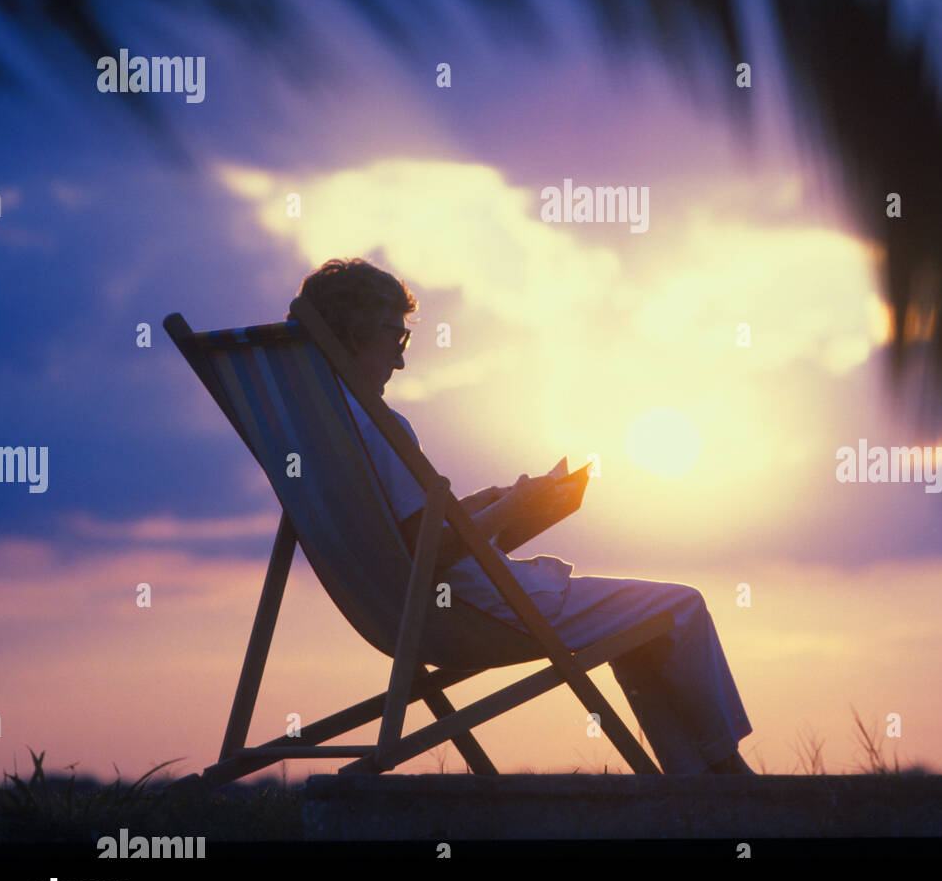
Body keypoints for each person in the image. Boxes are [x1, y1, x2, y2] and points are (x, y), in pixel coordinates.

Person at [293, 257, 755, 776]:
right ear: (356, 331)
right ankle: (727, 772)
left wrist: (487, 505)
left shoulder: (313, 427)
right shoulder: (378, 424)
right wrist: (511, 509)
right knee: (680, 610)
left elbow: (403, 534)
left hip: (397, 611)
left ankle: (698, 783)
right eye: (396, 339)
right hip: (478, 611)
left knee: (641, 622)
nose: (400, 363)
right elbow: (431, 551)